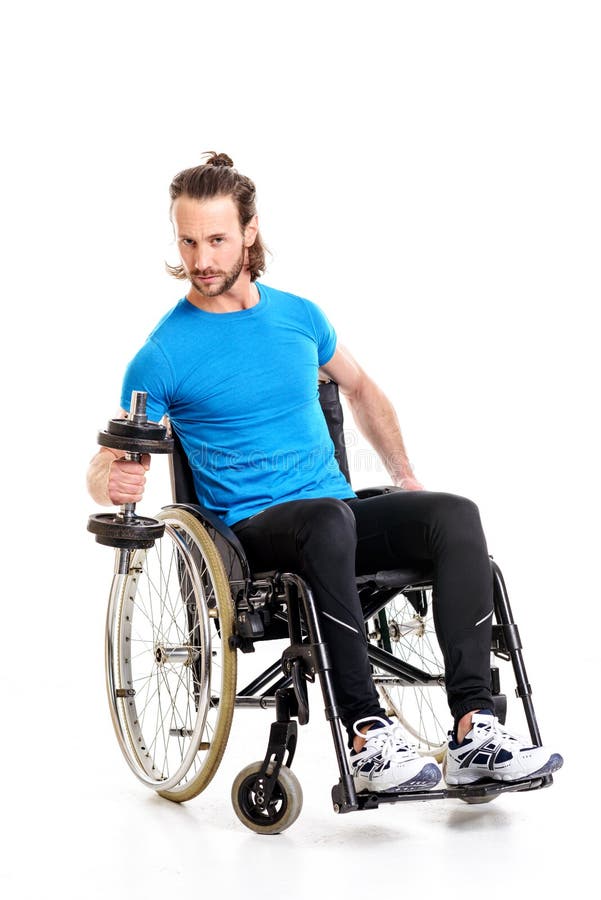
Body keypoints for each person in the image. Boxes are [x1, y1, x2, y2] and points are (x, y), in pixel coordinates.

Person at [87, 152, 563, 793]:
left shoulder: (300, 317)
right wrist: (107, 480)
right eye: (188, 241)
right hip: (254, 532)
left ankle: (474, 729)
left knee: (454, 515)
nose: (201, 259)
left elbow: (361, 389)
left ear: (250, 231)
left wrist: (404, 476)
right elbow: (115, 456)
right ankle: (368, 738)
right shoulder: (163, 353)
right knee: (328, 520)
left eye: (217, 239)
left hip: (335, 515)